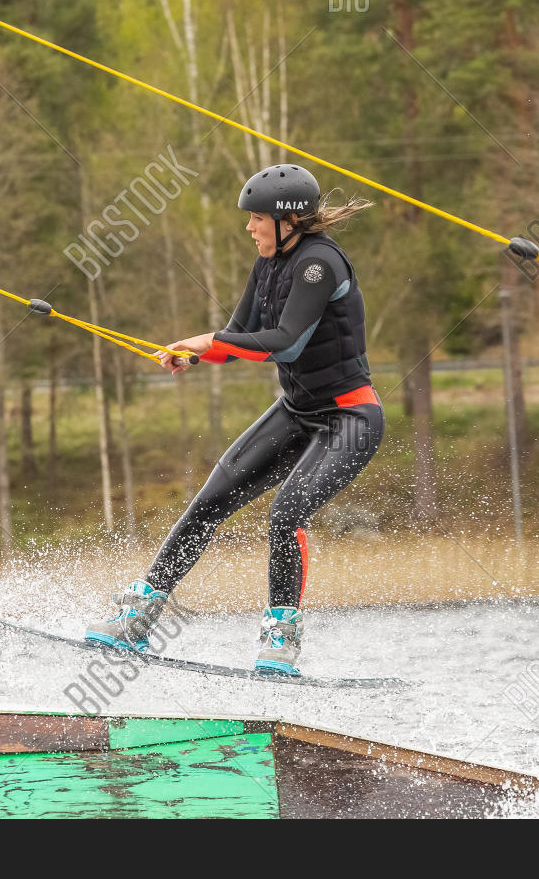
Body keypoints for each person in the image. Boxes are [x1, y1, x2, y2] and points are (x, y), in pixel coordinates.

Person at [85, 163, 382, 675]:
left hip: (349, 417)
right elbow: (240, 334)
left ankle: (281, 638)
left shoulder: (319, 264)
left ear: (287, 220)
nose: (249, 227)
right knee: (208, 502)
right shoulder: (268, 262)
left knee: (286, 514)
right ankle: (139, 617)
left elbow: (284, 340)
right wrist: (196, 352)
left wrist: (209, 342)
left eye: (256, 218)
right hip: (296, 410)